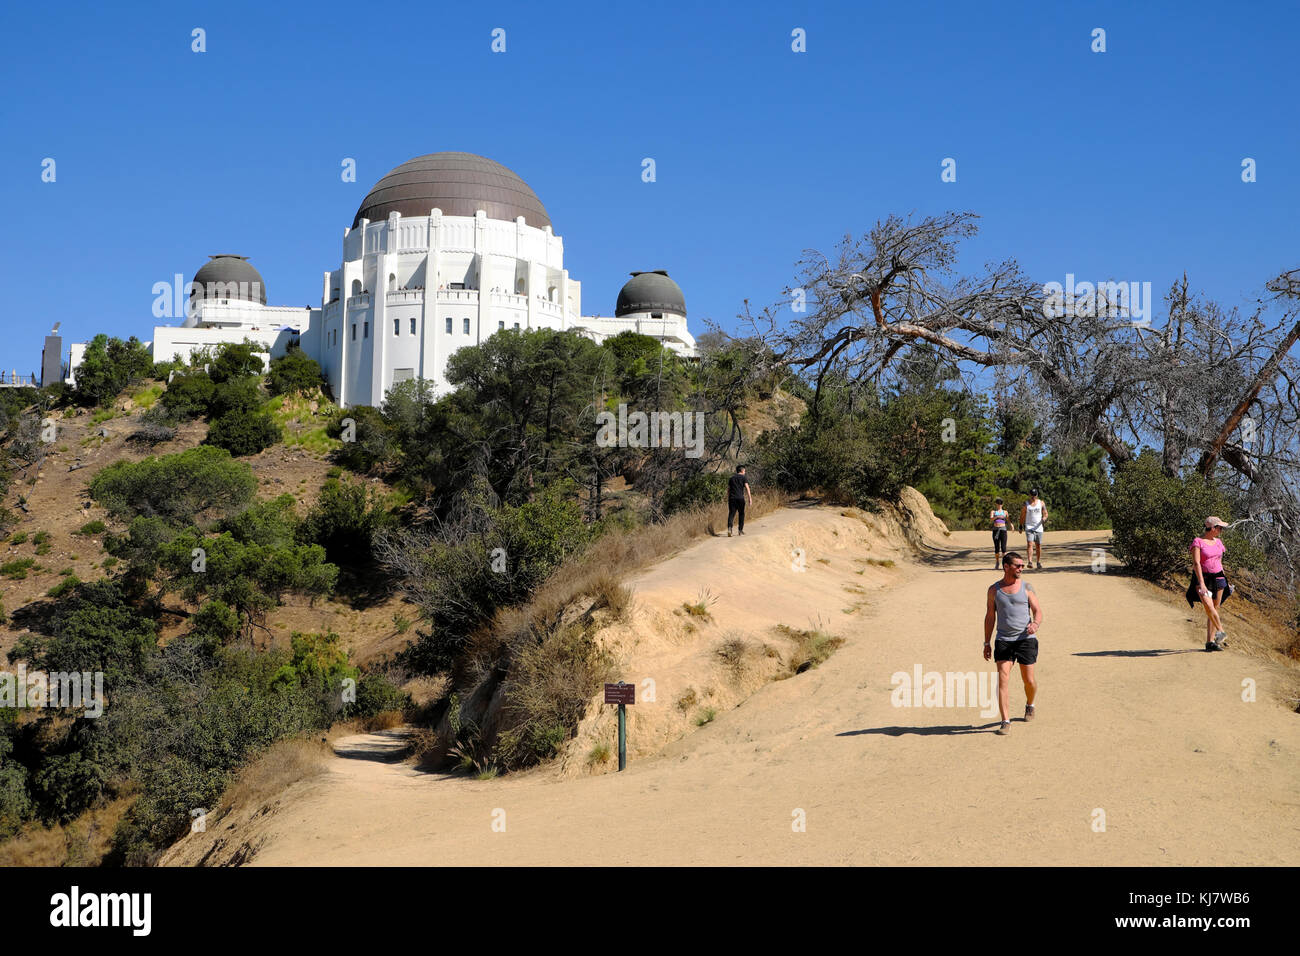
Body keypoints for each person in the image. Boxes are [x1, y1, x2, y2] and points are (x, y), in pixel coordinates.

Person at [983, 551, 1043, 735]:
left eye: (1022, 565)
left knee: (1029, 681)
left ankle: (1030, 704)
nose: (1021, 568)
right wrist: (986, 642)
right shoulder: (994, 590)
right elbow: (990, 617)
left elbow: (1038, 610)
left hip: (1025, 639)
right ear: (1006, 567)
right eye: (1018, 565)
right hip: (1003, 640)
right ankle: (1005, 721)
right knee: (1003, 679)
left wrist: (1035, 624)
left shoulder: (1027, 587)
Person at [1185, 516, 1232, 652]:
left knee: (1215, 608)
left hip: (1219, 578)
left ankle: (1210, 642)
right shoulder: (1198, 542)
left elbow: (1219, 561)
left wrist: (1226, 580)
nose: (1221, 530)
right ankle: (1221, 631)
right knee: (1209, 606)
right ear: (1212, 528)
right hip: (1203, 578)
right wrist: (1201, 583)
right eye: (1219, 528)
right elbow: (1196, 563)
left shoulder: (1218, 542)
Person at [1020, 489, 1048, 569]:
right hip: (1029, 527)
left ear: (1037, 495)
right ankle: (1030, 561)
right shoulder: (1026, 504)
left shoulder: (1041, 503)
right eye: (1032, 495)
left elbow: (1045, 513)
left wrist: (1044, 518)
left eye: (1035, 495)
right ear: (1029, 495)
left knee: (1038, 545)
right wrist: (1020, 525)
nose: (1033, 497)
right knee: (1030, 544)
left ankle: (1038, 562)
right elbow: (1022, 515)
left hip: (1038, 527)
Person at [726, 465, 752, 537]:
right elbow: (747, 488)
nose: (745, 472)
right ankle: (740, 531)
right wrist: (750, 498)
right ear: (742, 470)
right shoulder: (743, 477)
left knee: (731, 514)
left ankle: (729, 529)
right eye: (745, 471)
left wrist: (728, 498)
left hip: (732, 498)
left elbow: (728, 489)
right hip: (740, 498)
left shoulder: (731, 478)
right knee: (741, 514)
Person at [989, 497, 1012, 569]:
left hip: (1003, 530)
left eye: (1001, 503)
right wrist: (997, 517)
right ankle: (997, 562)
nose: (999, 505)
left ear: (1002, 504)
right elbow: (991, 519)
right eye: (998, 503)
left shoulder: (1005, 512)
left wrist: (1011, 525)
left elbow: (1008, 520)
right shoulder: (993, 512)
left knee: (1003, 548)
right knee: (996, 548)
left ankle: (1004, 563)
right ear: (996, 504)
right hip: (996, 530)